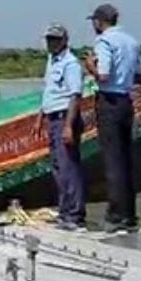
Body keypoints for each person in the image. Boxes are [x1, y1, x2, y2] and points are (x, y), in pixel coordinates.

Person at [82, 3, 141, 234]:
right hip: (126, 102)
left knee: (113, 160)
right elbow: (140, 76)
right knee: (127, 159)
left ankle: (116, 215)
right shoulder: (131, 41)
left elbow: (104, 75)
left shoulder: (104, 42)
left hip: (109, 101)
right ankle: (130, 215)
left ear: (99, 21)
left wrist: (90, 66)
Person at [33, 24, 86, 231]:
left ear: (64, 41)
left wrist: (68, 126)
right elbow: (48, 92)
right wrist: (40, 118)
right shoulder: (52, 61)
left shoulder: (70, 64)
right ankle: (64, 212)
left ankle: (75, 214)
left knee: (69, 167)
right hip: (52, 118)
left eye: (55, 40)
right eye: (49, 39)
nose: (51, 43)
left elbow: (75, 96)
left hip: (65, 117)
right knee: (58, 168)